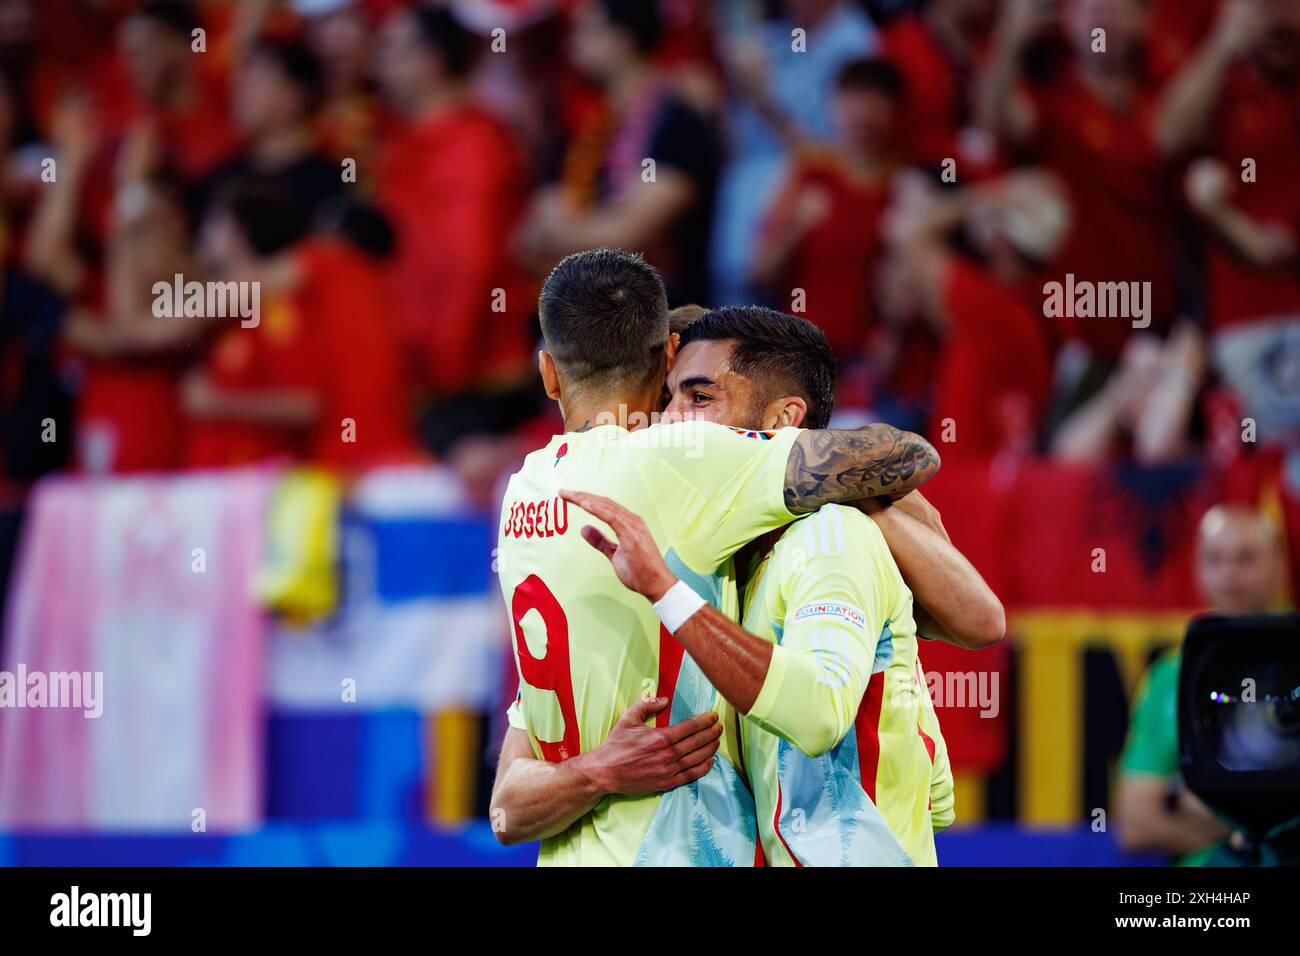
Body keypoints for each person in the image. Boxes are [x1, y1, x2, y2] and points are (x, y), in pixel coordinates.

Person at [489, 249, 939, 865]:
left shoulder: (524, 493)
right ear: (669, 354)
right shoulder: (680, 461)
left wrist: (594, 773)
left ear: (548, 373)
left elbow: (506, 812)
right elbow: (905, 455)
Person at [515, 0, 722, 307]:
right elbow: (527, 241)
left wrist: (566, 234)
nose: (571, 42)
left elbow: (628, 235)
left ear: (622, 41)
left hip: (660, 324)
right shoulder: (579, 128)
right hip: (579, 319)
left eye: (586, 30)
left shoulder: (678, 122)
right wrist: (593, 231)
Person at [1115, 504, 1287, 864]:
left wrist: (1188, 800)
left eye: (1246, 559)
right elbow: (1135, 825)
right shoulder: (1168, 677)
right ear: (1197, 569)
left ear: (1279, 564)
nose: (1229, 575)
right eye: (1215, 559)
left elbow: (1157, 811)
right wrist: (1276, 811)